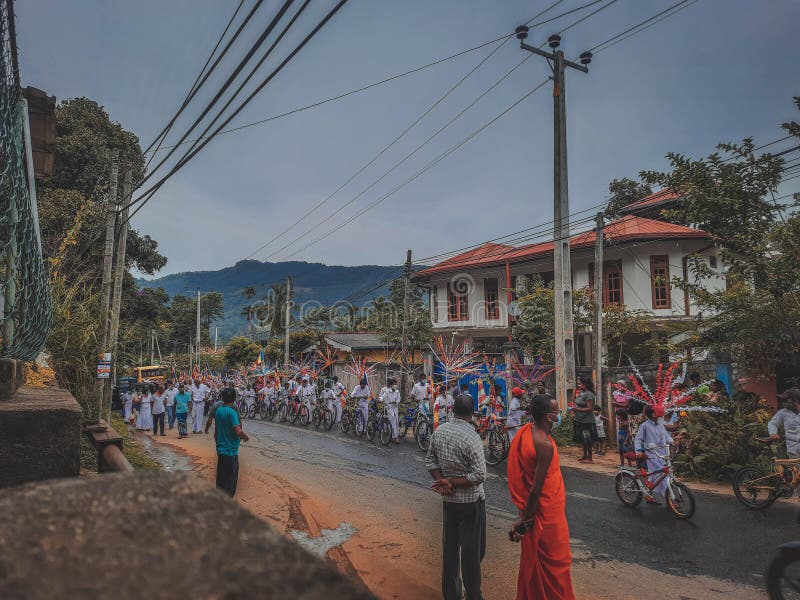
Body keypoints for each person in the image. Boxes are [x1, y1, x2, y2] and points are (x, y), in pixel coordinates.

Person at [507, 394, 575, 600]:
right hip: (546, 517)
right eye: (557, 412)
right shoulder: (543, 444)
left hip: (542, 511)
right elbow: (536, 490)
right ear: (548, 416)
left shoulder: (526, 432)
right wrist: (526, 522)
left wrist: (523, 519)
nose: (559, 415)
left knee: (544, 566)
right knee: (557, 566)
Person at [425, 393, 487, 600]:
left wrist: (443, 480)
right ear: (472, 413)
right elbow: (479, 475)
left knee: (450, 550)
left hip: (449, 501)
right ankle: (473, 596)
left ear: (452, 409)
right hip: (470, 502)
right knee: (472, 554)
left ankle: (451, 594)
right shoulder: (472, 437)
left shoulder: (440, 431)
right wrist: (450, 482)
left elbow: (430, 460)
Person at [212, 387, 249, 497]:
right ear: (234, 398)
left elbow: (216, 430)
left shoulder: (218, 410)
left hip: (221, 450)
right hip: (231, 452)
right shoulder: (232, 412)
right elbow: (238, 430)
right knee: (230, 482)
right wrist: (245, 437)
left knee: (221, 479)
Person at [634, 405, 674, 504]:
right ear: (653, 414)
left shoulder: (660, 424)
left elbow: (666, 435)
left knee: (659, 475)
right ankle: (670, 499)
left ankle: (650, 493)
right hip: (652, 454)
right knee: (661, 475)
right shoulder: (645, 426)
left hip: (663, 453)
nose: (660, 416)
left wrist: (672, 441)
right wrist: (638, 451)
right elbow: (638, 439)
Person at [764, 388, 800, 457]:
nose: (783, 402)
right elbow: (772, 423)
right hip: (793, 450)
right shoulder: (783, 413)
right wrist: (773, 433)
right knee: (794, 467)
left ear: (795, 401)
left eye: (786, 400)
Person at [572, 377, 597, 463]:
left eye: (580, 384)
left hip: (587, 421)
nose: (579, 385)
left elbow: (590, 408)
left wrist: (576, 409)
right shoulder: (582, 393)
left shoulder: (589, 394)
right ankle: (585, 455)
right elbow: (575, 401)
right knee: (583, 439)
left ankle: (590, 458)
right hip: (579, 419)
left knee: (588, 439)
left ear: (585, 385)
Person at [379, 378, 402, 444]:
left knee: (397, 422)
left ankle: (394, 436)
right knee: (393, 422)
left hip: (395, 408)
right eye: (394, 384)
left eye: (396, 384)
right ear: (391, 385)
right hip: (389, 408)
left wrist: (396, 402)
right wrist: (381, 400)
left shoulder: (397, 392)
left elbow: (398, 399)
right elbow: (382, 397)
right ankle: (395, 437)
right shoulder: (386, 391)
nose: (395, 385)